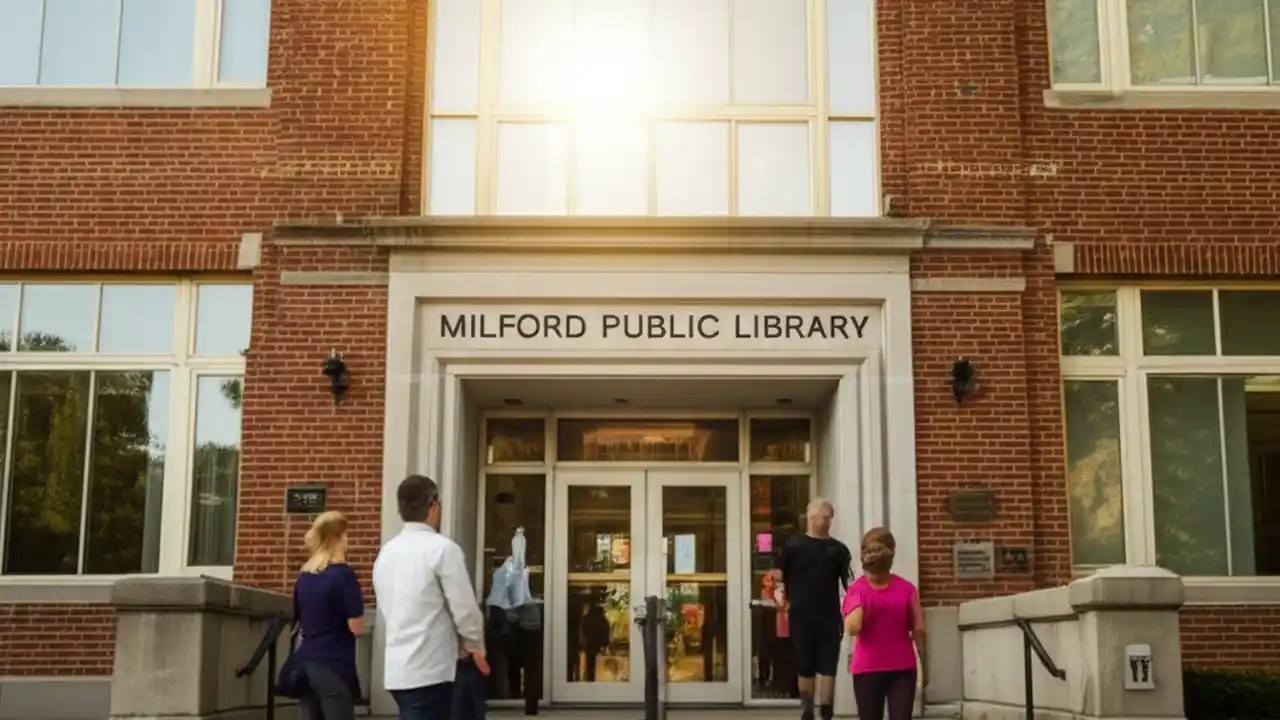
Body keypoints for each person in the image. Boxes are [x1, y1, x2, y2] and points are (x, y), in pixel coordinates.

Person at [373, 475, 490, 720]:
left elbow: (387, 605)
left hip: (398, 670)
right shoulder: (443, 549)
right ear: (433, 506)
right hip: (435, 668)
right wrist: (475, 645)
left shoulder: (387, 553)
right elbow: (464, 608)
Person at [777, 498, 852, 720]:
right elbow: (780, 578)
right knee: (805, 665)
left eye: (827, 517)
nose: (823, 521)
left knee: (828, 667)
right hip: (801, 615)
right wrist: (782, 599)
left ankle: (826, 712)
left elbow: (848, 583)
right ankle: (808, 709)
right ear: (809, 518)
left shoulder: (838, 550)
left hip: (829, 616)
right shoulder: (793, 546)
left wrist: (849, 607)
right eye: (820, 516)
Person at [841, 528, 926, 720]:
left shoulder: (907, 589)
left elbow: (919, 631)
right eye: (869, 551)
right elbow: (853, 627)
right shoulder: (857, 589)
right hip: (867, 670)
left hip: (902, 670)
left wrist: (924, 668)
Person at [292, 511, 365, 720]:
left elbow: (297, 622)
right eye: (345, 534)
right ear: (337, 538)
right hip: (333, 664)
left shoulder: (304, 576)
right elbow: (356, 627)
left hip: (304, 664)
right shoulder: (344, 576)